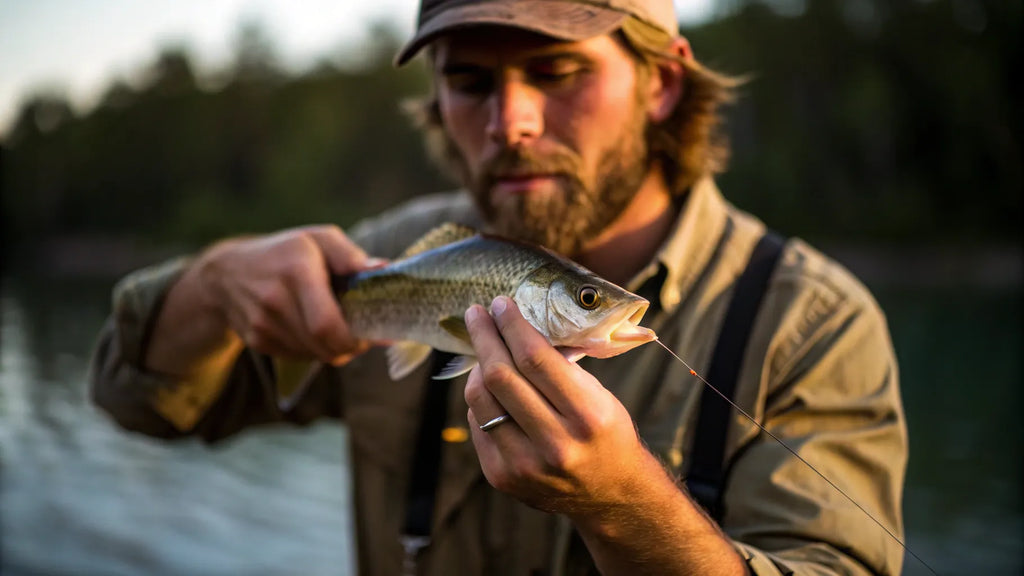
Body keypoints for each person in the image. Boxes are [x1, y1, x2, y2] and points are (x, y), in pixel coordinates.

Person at [89, 0, 909, 574]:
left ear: (660, 83)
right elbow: (135, 403)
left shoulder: (814, 325)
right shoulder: (379, 256)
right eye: (471, 82)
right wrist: (211, 283)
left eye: (556, 72)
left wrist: (626, 509)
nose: (508, 121)